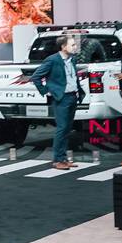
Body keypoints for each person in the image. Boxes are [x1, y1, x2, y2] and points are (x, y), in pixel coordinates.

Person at [31, 35, 83, 170]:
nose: (75, 47)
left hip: (73, 96)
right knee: (61, 129)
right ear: (63, 47)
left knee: (67, 129)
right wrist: (46, 91)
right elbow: (36, 77)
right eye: (72, 45)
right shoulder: (52, 60)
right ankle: (57, 160)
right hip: (61, 98)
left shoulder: (72, 59)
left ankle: (64, 158)